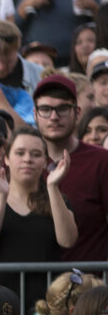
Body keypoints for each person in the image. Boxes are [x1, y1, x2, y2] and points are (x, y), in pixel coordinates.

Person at [0, 126, 77, 309]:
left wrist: (53, 187)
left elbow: (68, 240)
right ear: (6, 159)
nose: (27, 159)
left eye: (36, 154)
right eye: (20, 153)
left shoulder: (57, 197)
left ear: (45, 161)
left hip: (47, 303)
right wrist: (2, 196)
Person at [31, 74, 108, 263]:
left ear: (78, 112)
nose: (54, 117)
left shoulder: (101, 161)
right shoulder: (23, 162)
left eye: (63, 109)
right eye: (46, 109)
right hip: (33, 286)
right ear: (35, 114)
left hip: (89, 285)